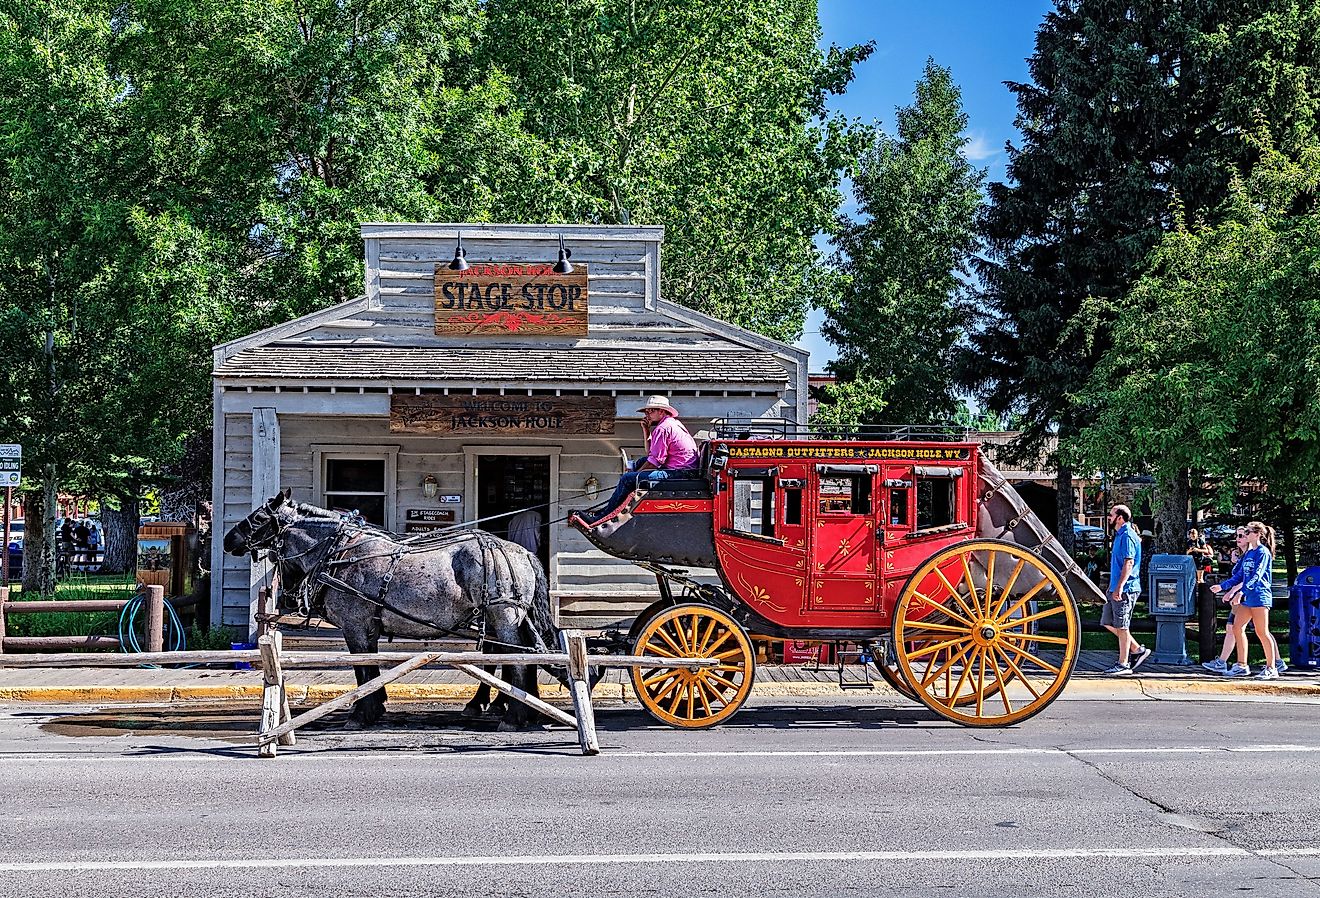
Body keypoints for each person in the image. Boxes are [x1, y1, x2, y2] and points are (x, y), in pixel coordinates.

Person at [586, 395, 700, 520]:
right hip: (685, 471)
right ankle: (609, 509)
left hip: (678, 474)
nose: (647, 414)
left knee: (627, 479)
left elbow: (654, 462)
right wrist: (646, 430)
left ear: (662, 411)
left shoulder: (663, 428)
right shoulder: (672, 424)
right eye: (646, 411)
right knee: (640, 462)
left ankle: (605, 515)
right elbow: (651, 453)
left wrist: (636, 475)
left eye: (651, 411)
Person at [1203, 528, 1287, 676]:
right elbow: (1240, 576)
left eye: (1248, 532)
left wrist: (1241, 592)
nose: (1244, 535)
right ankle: (1241, 666)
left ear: (1258, 535)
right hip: (1248, 599)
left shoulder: (1263, 552)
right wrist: (1223, 587)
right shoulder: (1249, 553)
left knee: (1262, 632)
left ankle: (1272, 667)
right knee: (1236, 628)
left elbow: (1257, 576)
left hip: (1260, 597)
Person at [1102, 504, 1151, 675]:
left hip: (1126, 588)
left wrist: (1120, 587)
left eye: (1111, 514)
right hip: (1115, 587)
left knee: (1122, 626)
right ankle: (1137, 649)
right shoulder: (1119, 535)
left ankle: (1123, 664)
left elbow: (1128, 563)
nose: (1109, 517)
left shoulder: (1128, 536)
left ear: (1120, 518)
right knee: (1107, 622)